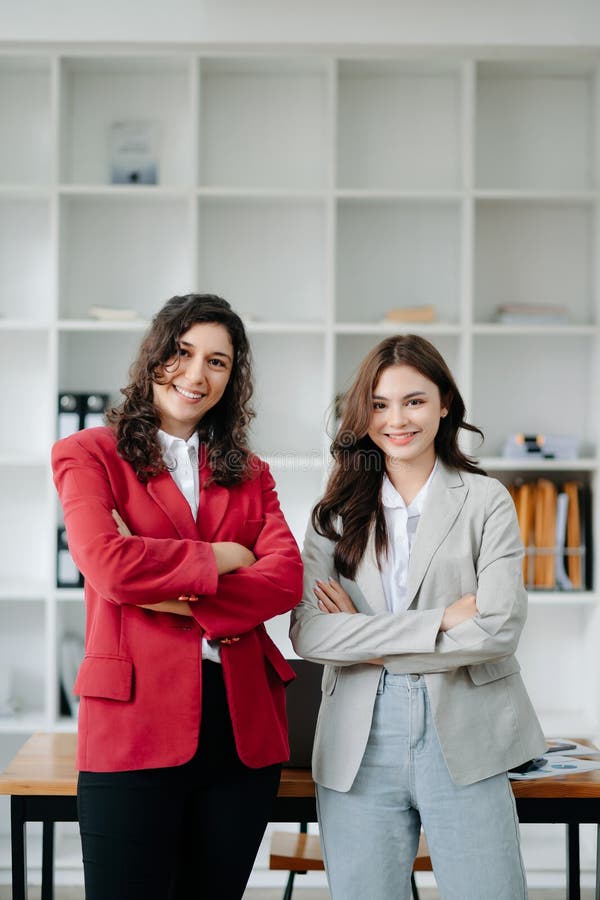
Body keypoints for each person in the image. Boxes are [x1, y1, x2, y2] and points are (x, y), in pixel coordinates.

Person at [52, 293, 303, 900]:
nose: (196, 374)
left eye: (217, 362)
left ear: (232, 378)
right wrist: (224, 557)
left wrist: (166, 592)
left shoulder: (251, 471)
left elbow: (285, 578)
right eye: (182, 353)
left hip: (239, 727)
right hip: (132, 720)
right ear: (154, 356)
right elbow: (109, 566)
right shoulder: (89, 454)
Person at [290, 334, 545, 900]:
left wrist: (364, 640)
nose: (396, 420)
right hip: (358, 740)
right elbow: (309, 633)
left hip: (467, 729)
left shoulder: (486, 500)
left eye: (414, 401)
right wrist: (440, 621)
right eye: (379, 405)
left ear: (445, 403)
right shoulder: (333, 514)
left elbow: (497, 629)